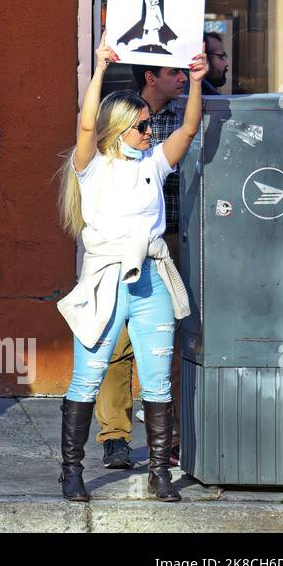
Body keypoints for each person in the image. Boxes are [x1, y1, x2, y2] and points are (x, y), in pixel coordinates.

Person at [56, 31, 207, 503]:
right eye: (141, 127)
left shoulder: (153, 162)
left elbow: (187, 130)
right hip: (105, 280)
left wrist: (197, 82)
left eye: (147, 126)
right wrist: (100, 69)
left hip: (153, 279)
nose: (149, 132)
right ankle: (73, 472)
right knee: (89, 374)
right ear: (119, 128)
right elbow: (85, 127)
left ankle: (160, 473)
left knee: (157, 380)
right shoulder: (94, 164)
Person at [93, 60, 187, 470]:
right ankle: (115, 435)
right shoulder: (116, 128)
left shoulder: (182, 116)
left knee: (167, 343)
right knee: (114, 343)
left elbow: (189, 132)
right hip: (118, 247)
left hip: (172, 241)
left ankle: (169, 437)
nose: (181, 79)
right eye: (175, 73)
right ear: (151, 77)